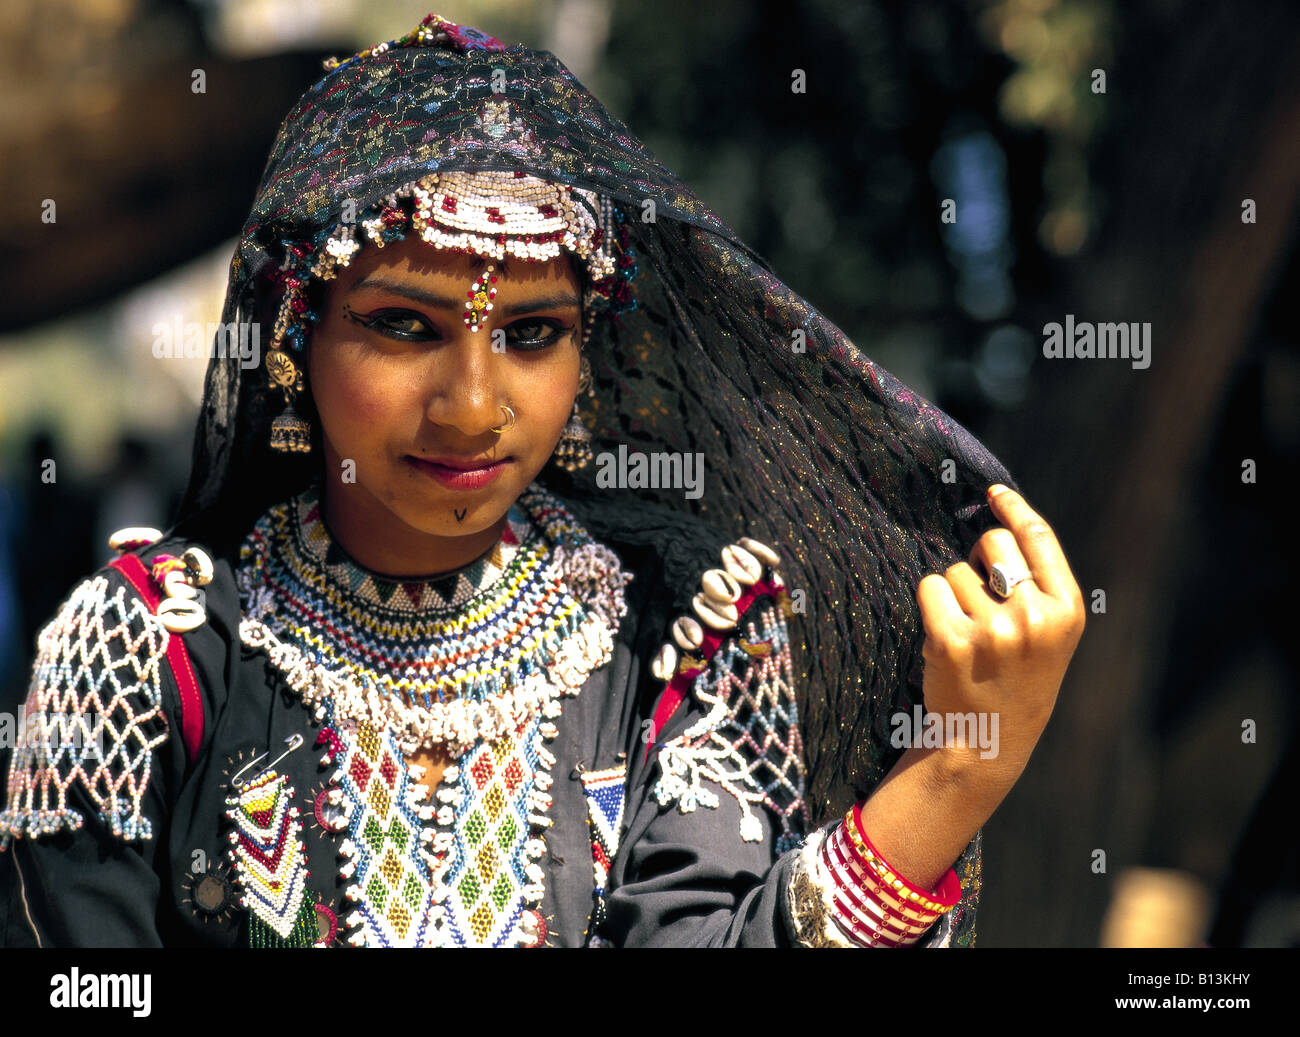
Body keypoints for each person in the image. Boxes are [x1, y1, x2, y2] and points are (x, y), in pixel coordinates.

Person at [0, 13, 1084, 948]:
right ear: (296, 334)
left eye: (531, 333)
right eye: (402, 326)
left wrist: (957, 774)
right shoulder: (143, 653)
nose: (472, 403)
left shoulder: (684, 629)